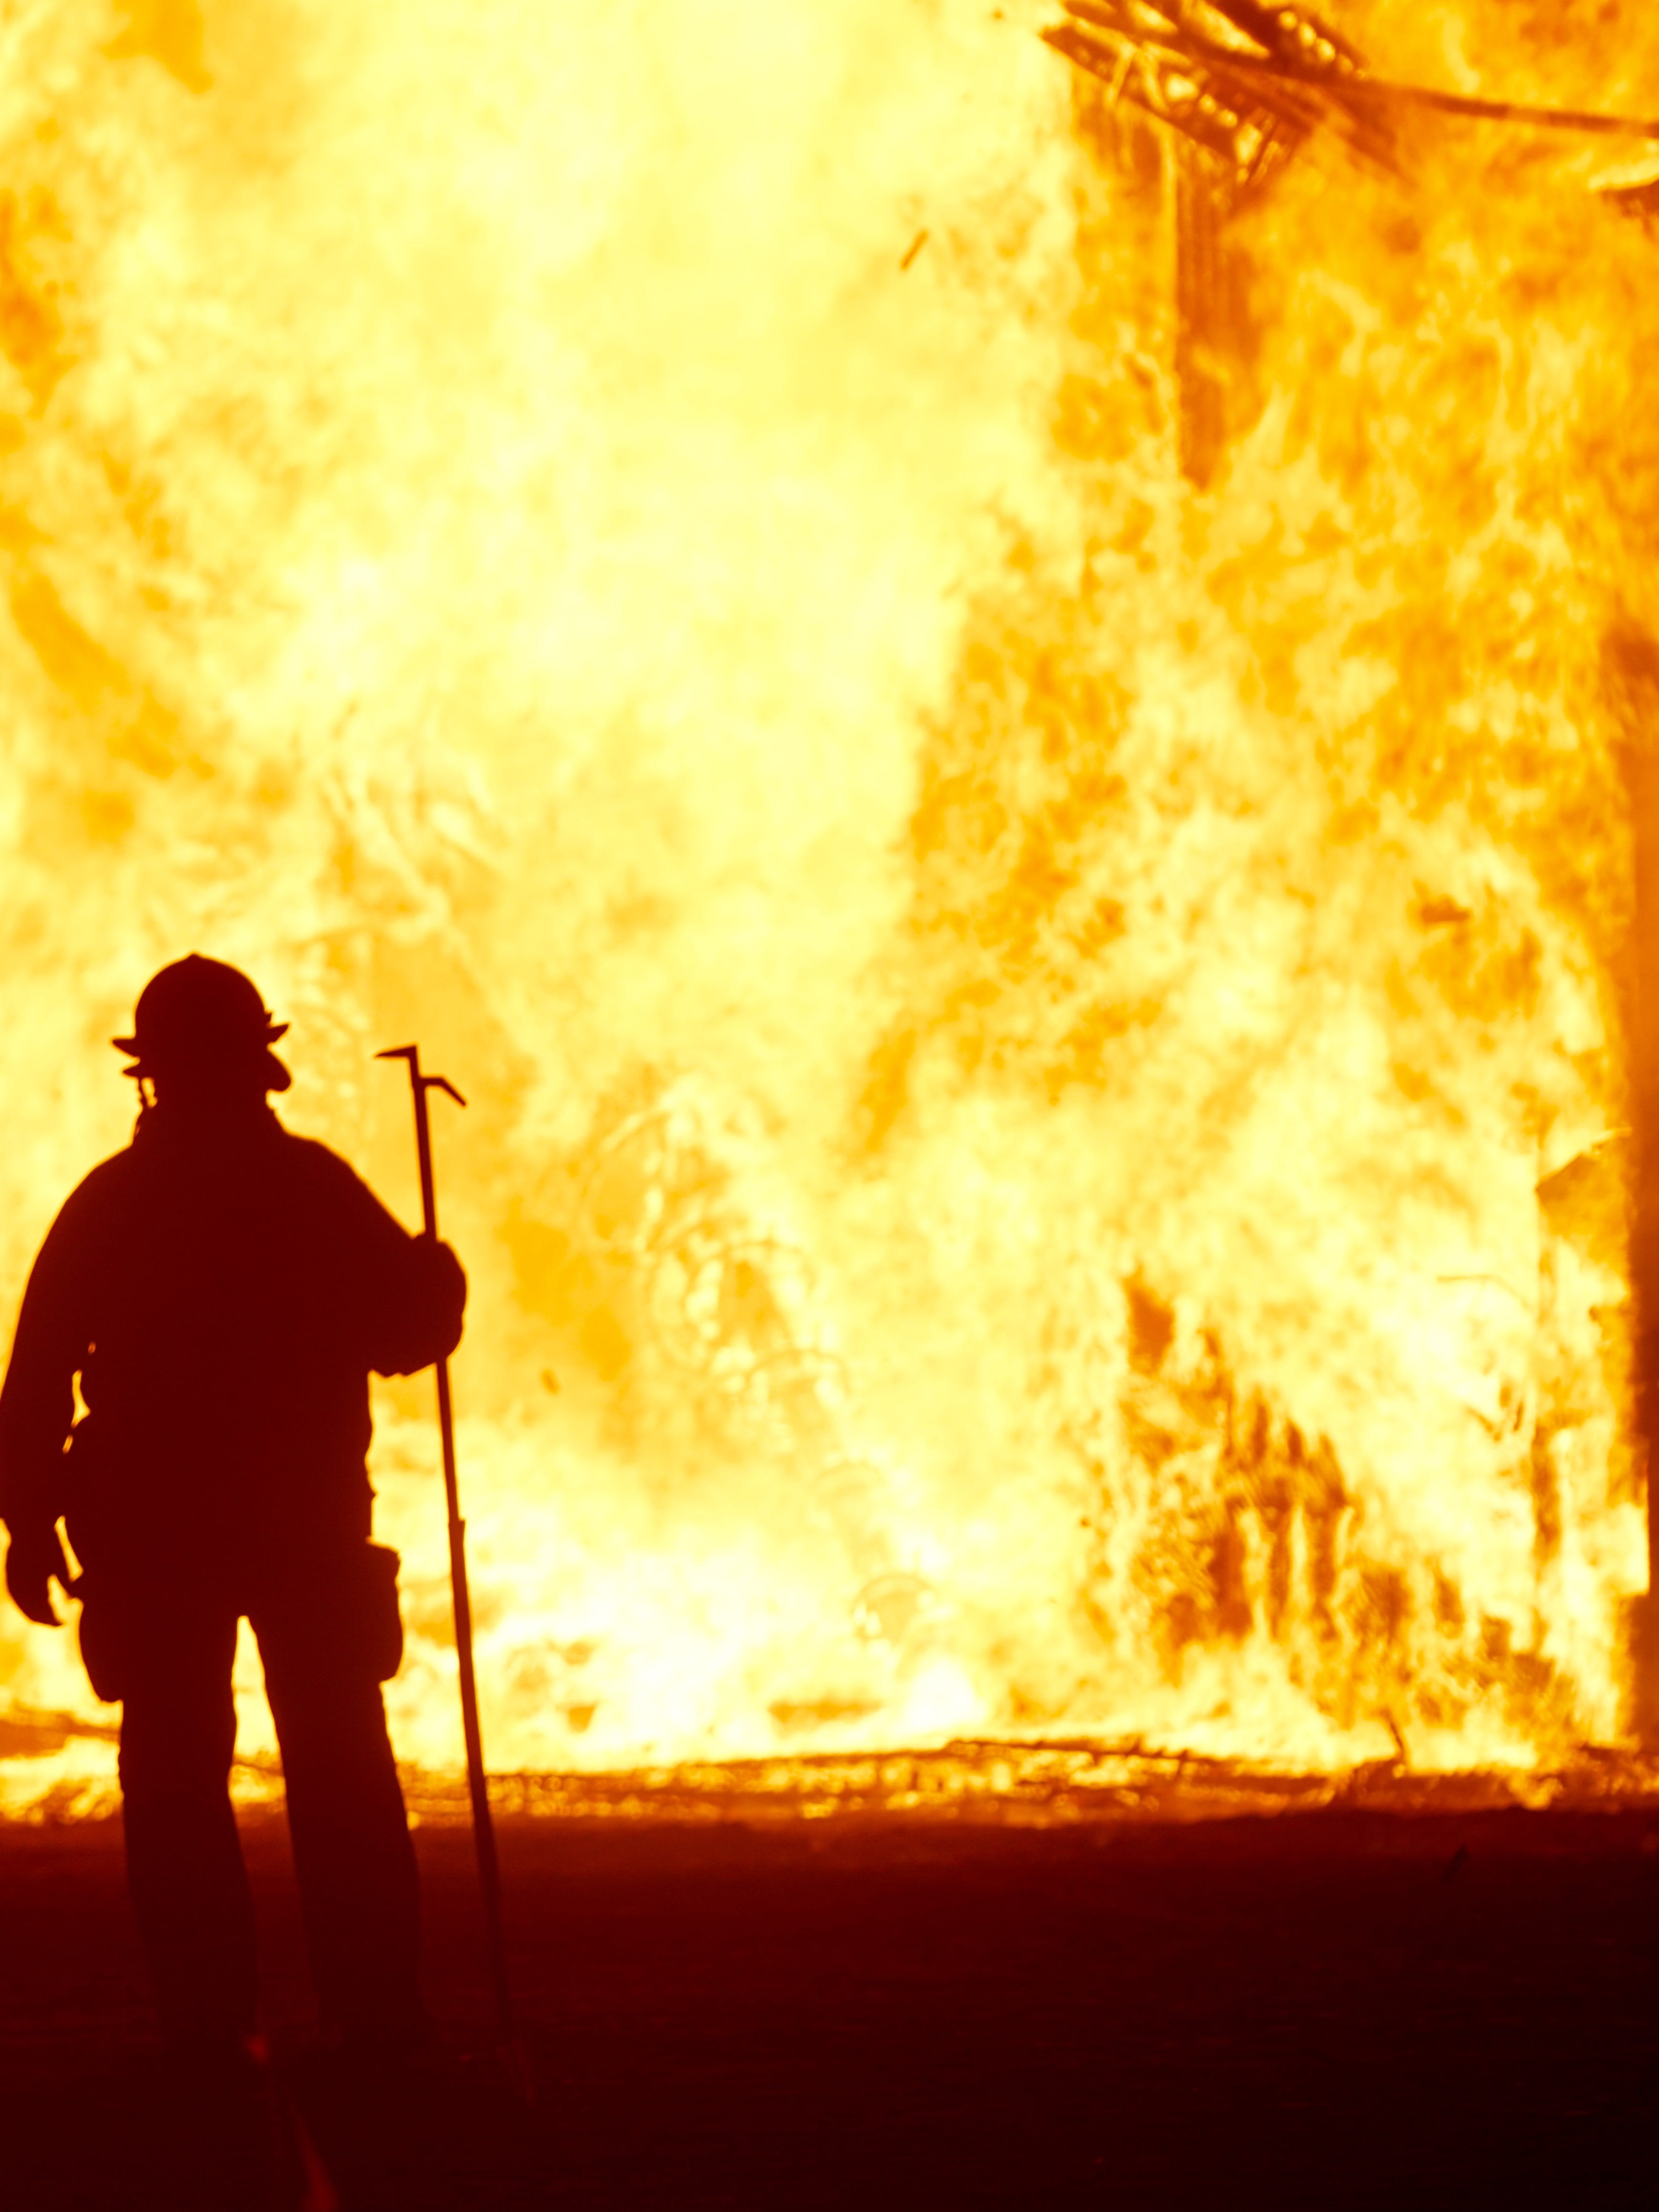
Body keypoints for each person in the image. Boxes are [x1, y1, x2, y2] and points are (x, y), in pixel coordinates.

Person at [0, 955, 466, 2058]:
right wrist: (437, 1278)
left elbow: (37, 1372)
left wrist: (25, 1526)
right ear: (261, 1065)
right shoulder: (308, 1186)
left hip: (152, 1532)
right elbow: (404, 1335)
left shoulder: (110, 1203)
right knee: (340, 1763)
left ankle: (208, 2026)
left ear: (149, 1075)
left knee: (171, 1774)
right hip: (300, 1519)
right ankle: (373, 2015)